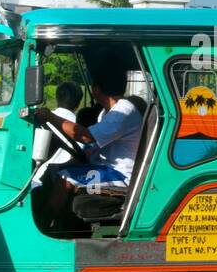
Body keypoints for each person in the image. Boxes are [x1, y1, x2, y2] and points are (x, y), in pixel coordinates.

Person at [33, 66, 144, 222]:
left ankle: (46, 222)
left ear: (96, 89)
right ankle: (57, 220)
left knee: (66, 177)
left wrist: (51, 117)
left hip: (121, 175)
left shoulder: (123, 110)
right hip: (106, 168)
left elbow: (85, 137)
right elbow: (94, 146)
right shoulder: (106, 113)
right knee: (55, 169)